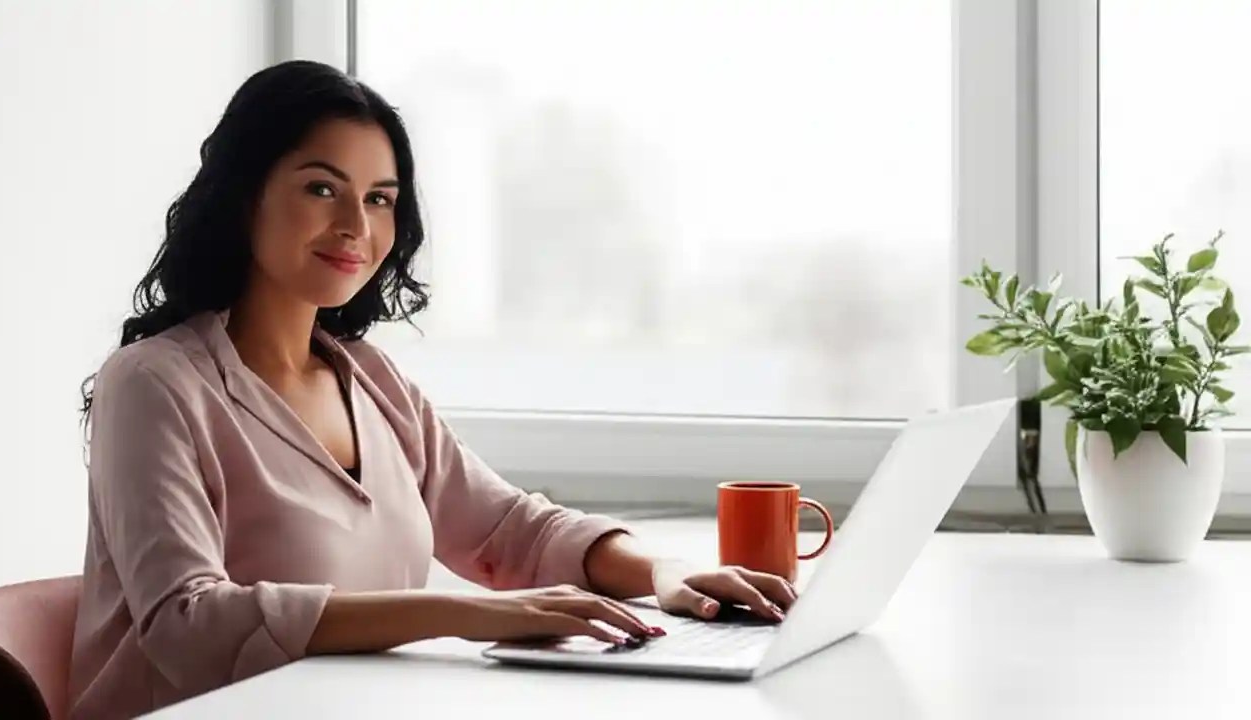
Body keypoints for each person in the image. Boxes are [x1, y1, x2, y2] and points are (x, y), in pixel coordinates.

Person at [67, 60, 795, 719]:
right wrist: (466, 614)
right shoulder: (154, 384)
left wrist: (666, 571)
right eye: (322, 188)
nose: (356, 225)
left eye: (380, 199)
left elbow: (510, 530)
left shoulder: (371, 379)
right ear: (242, 196)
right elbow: (187, 624)